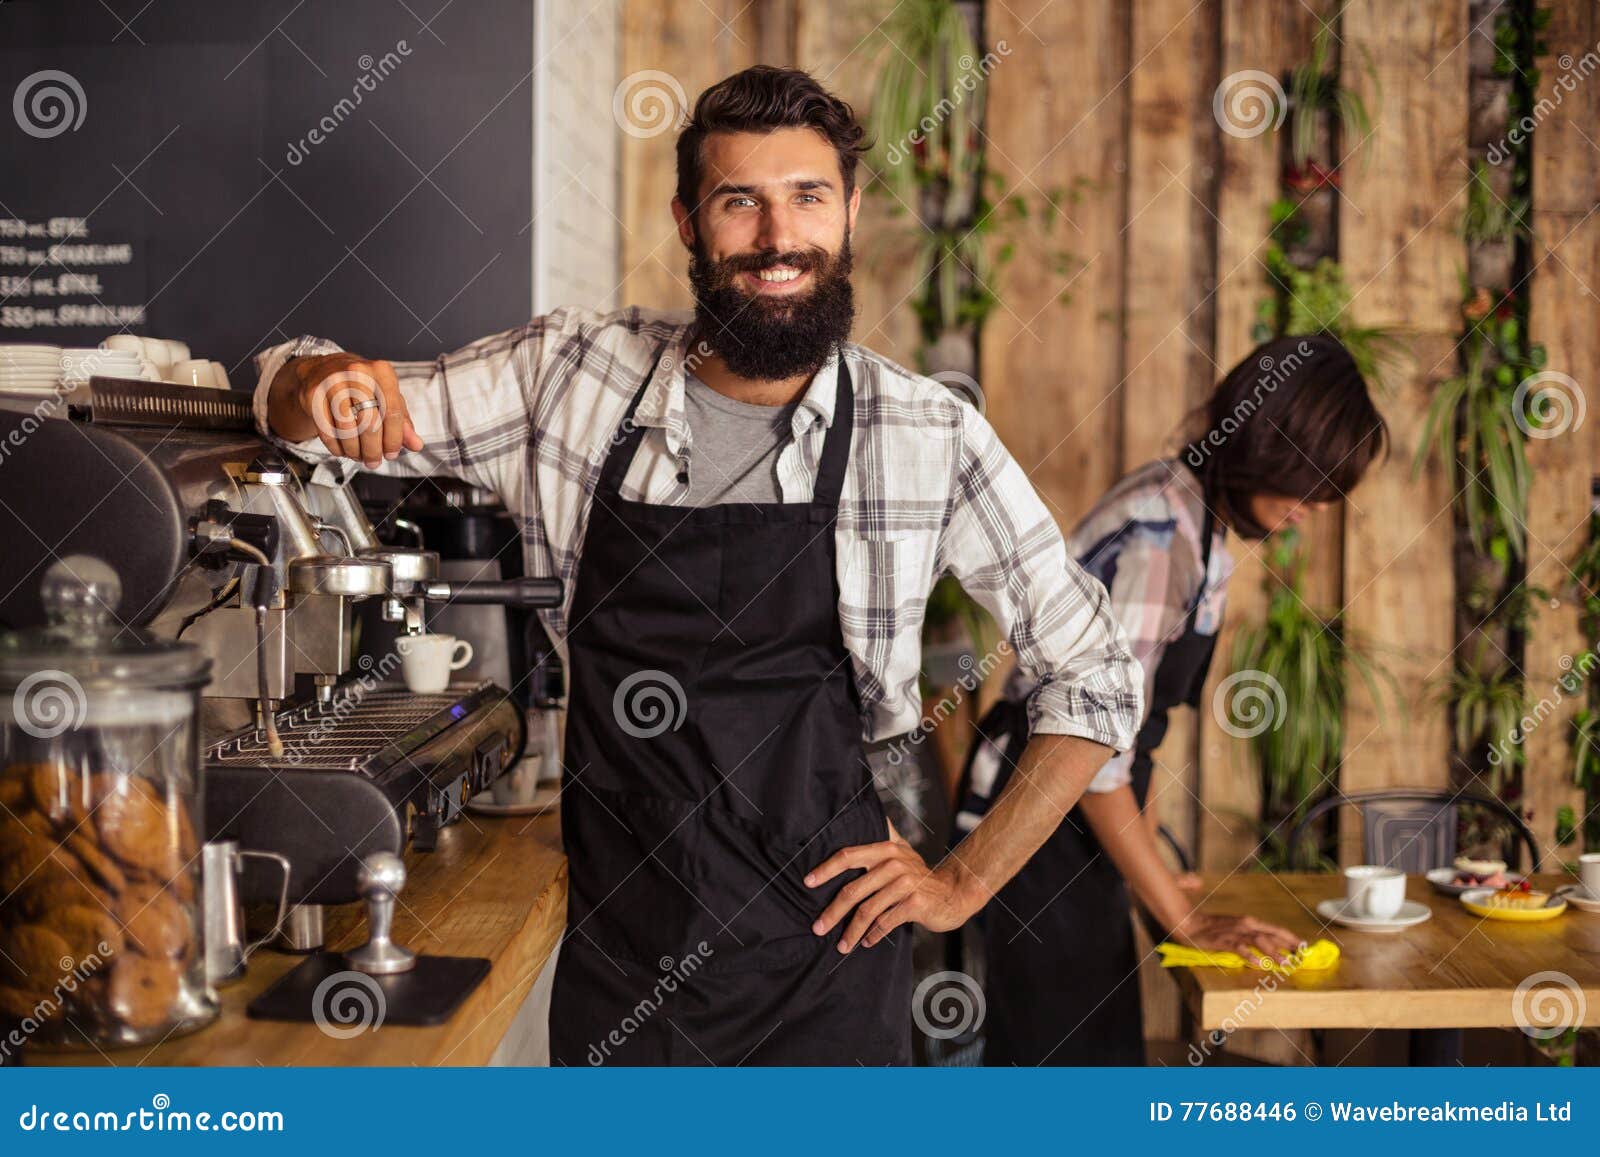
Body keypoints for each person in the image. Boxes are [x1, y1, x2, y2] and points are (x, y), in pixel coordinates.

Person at [252, 66, 1144, 1066]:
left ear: (850, 211)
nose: (777, 237)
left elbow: (1096, 671)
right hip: (629, 968)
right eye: (740, 201)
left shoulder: (925, 431)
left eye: (808, 196)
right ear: (688, 220)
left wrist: (965, 880)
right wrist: (312, 383)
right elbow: (324, 417)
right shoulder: (574, 377)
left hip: (831, 975)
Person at [957, 334, 1388, 1066]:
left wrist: (1155, 873)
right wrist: (1182, 915)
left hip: (1077, 812)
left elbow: (1135, 737)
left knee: (1101, 1046)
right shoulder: (1163, 543)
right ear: (1265, 449)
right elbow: (1091, 756)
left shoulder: (1202, 527)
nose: (1314, 509)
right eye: (1311, 485)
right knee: (1061, 1062)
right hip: (1036, 811)